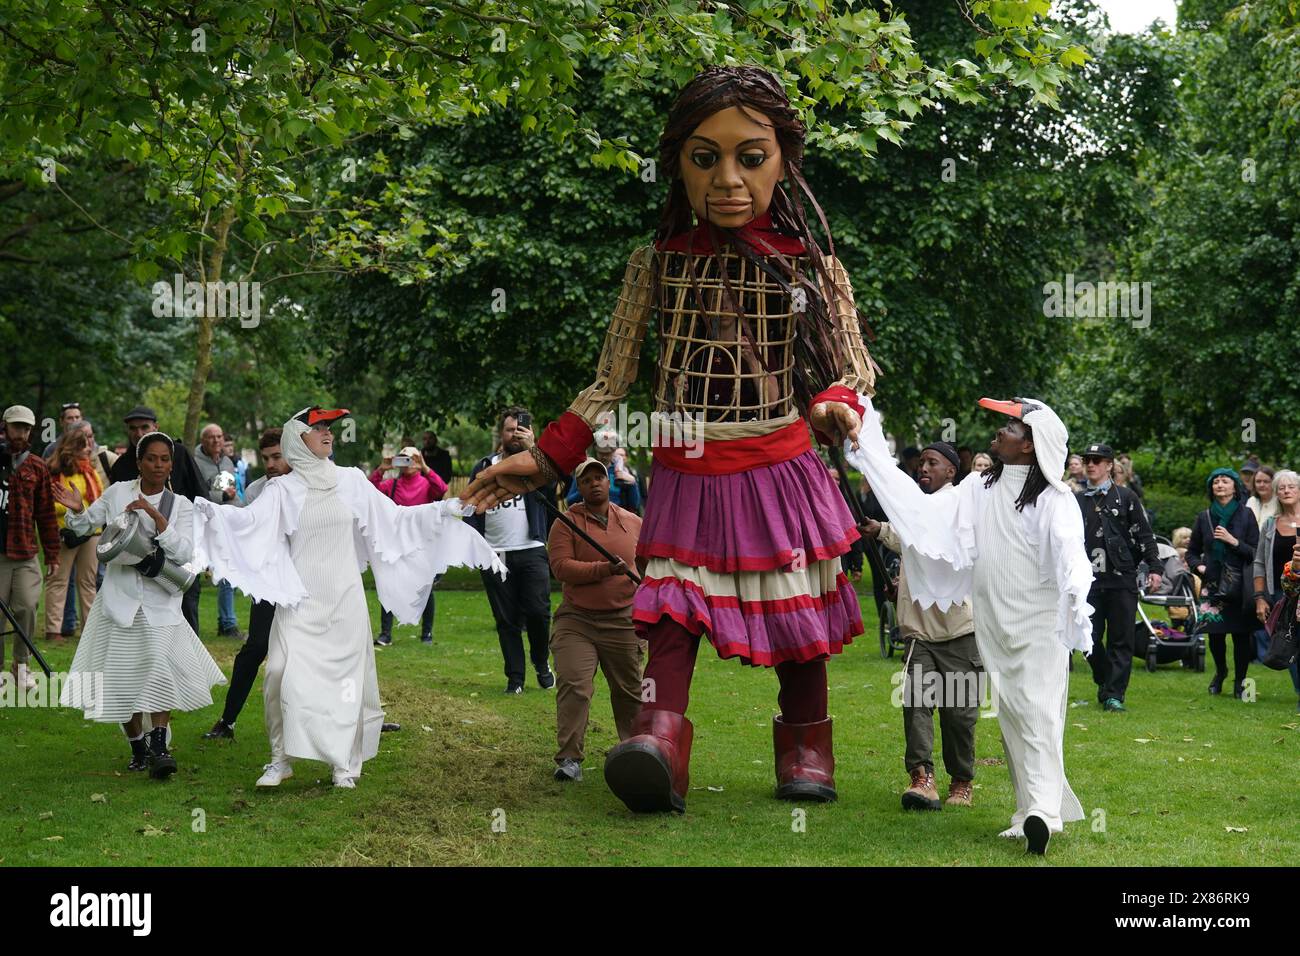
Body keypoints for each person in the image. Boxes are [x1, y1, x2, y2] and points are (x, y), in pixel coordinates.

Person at [463, 67, 876, 813]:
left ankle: (807, 746)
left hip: (780, 463)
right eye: (703, 156)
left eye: (750, 157)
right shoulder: (655, 264)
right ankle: (656, 738)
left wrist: (838, 406)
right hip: (686, 466)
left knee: (798, 612)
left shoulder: (814, 268)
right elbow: (608, 381)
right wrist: (548, 456)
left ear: (784, 159)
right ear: (676, 164)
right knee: (673, 609)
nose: (727, 179)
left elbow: (851, 366)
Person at [191, 407, 504, 788]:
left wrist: (445, 508)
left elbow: (395, 520)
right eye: (318, 428)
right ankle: (280, 760)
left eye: (330, 428)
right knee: (278, 674)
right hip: (300, 601)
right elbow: (248, 525)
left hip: (344, 597)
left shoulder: (352, 480)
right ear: (297, 439)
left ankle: (343, 764)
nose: (328, 433)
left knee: (346, 683)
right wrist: (208, 513)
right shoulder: (281, 489)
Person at [847, 396, 1093, 855]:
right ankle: (1026, 811)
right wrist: (869, 446)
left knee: (1038, 710)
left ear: (1030, 446)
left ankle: (1043, 811)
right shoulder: (979, 487)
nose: (997, 432)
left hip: (1038, 625)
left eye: (1009, 429)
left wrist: (1077, 597)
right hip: (994, 624)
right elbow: (922, 513)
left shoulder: (1054, 498)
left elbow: (1069, 551)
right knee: (1013, 716)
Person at [53, 431, 226, 778]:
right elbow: (87, 525)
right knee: (120, 679)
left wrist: (156, 517)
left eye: (165, 460)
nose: (158, 465)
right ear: (139, 461)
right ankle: (138, 748)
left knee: (159, 668)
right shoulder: (117, 493)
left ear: (171, 465)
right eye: (151, 458)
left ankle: (160, 747)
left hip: (161, 601)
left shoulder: (182, 506)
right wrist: (76, 510)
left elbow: (185, 552)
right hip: (118, 601)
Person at [860, 442, 981, 811]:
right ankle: (922, 777)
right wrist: (879, 528)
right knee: (916, 704)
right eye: (921, 463)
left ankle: (961, 780)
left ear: (951, 472)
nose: (923, 468)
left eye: (933, 463)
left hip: (960, 630)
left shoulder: (960, 506)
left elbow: (932, 533)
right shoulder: (915, 511)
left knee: (959, 714)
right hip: (919, 634)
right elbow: (907, 535)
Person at [549, 457, 645, 782]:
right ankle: (569, 759)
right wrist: (603, 569)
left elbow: (649, 567)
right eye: (586, 480)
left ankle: (636, 752)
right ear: (580, 486)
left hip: (623, 620)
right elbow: (561, 567)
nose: (594, 484)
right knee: (575, 684)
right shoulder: (566, 522)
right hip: (577, 621)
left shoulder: (632, 522)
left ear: (608, 483)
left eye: (598, 478)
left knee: (630, 690)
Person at [204, 428, 292, 741]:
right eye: (266, 457)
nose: (270, 463)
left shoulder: (307, 487)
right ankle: (227, 721)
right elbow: (242, 526)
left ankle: (358, 718)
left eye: (277, 456)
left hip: (306, 582)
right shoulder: (255, 490)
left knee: (315, 652)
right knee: (256, 647)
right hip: (268, 583)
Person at [466, 407, 557, 695]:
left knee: (538, 613)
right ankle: (515, 678)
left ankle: (541, 663)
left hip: (531, 549)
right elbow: (470, 508)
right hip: (496, 554)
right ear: (501, 434)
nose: (515, 434)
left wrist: (535, 449)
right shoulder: (485, 466)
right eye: (510, 430)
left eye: (521, 429)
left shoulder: (537, 464)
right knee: (506, 620)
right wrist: (476, 546)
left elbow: (553, 485)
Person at [1076, 442, 1160, 712]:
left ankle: (1114, 695)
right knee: (1088, 636)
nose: (1091, 464)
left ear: (1109, 464)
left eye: (1098, 460)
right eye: (1088, 459)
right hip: (1087, 581)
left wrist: (1155, 567)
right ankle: (1104, 678)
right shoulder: (1076, 500)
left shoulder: (1126, 497)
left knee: (1121, 639)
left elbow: (1144, 534)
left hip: (1121, 578)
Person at [110, 406, 208, 634]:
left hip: (181, 542)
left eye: (144, 427)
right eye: (133, 428)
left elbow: (201, 496)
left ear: (156, 427)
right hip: (140, 554)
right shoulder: (121, 466)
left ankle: (187, 658)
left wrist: (205, 540)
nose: (138, 432)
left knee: (187, 599)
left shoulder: (179, 454)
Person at [0, 405, 60, 692]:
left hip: (25, 551)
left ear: (31, 431)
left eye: (25, 428)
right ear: (5, 427)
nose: (20, 433)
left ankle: (21, 667)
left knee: (26, 607)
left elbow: (46, 514)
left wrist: (53, 555)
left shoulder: (37, 466)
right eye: (16, 427)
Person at [1186, 468, 1260, 698]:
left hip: (1240, 584)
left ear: (1235, 487)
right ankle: (1221, 673)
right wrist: (1199, 567)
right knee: (1216, 634)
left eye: (1224, 481)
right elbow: (1191, 552)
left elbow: (1255, 552)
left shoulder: (1246, 516)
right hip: (1214, 584)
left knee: (1241, 635)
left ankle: (1240, 682)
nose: (1219, 485)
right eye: (1215, 482)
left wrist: (1233, 541)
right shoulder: (1204, 516)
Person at [369, 446, 449, 645]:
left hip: (422, 544)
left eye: (412, 458)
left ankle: (426, 634)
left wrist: (425, 467)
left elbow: (442, 489)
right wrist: (382, 469)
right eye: (403, 458)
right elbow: (369, 491)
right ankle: (386, 634)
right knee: (389, 586)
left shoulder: (426, 483)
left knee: (425, 588)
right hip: (396, 543)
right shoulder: (392, 484)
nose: (408, 462)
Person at [44, 428, 103, 643]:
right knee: (58, 580)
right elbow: (51, 504)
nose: (88, 448)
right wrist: (75, 509)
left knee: (88, 582)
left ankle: (90, 632)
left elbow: (99, 502)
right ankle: (53, 630)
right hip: (65, 533)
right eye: (83, 444)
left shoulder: (90, 472)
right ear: (71, 448)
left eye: (88, 443)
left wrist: (82, 509)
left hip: (92, 533)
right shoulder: (55, 471)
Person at [1252, 469, 1300, 701]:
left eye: (1291, 486)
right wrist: (1260, 596)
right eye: (1281, 488)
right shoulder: (1270, 524)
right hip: (1282, 593)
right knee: (1288, 642)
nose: (1286, 491)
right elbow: (1259, 562)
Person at [193, 422, 243, 639]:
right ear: (203, 440)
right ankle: (188, 624)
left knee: (227, 570)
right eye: (211, 437)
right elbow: (196, 495)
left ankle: (228, 623)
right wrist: (221, 497)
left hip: (225, 524)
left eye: (219, 437)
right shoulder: (195, 463)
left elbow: (232, 493)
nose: (216, 441)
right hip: (201, 527)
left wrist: (242, 513)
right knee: (192, 574)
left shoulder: (227, 462)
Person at [564, 433, 642, 514]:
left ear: (614, 451)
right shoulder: (584, 470)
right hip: (589, 519)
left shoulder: (621, 472)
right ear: (596, 450)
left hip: (617, 518)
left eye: (607, 453)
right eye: (601, 453)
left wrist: (633, 484)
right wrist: (584, 490)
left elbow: (634, 504)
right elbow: (570, 501)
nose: (604, 456)